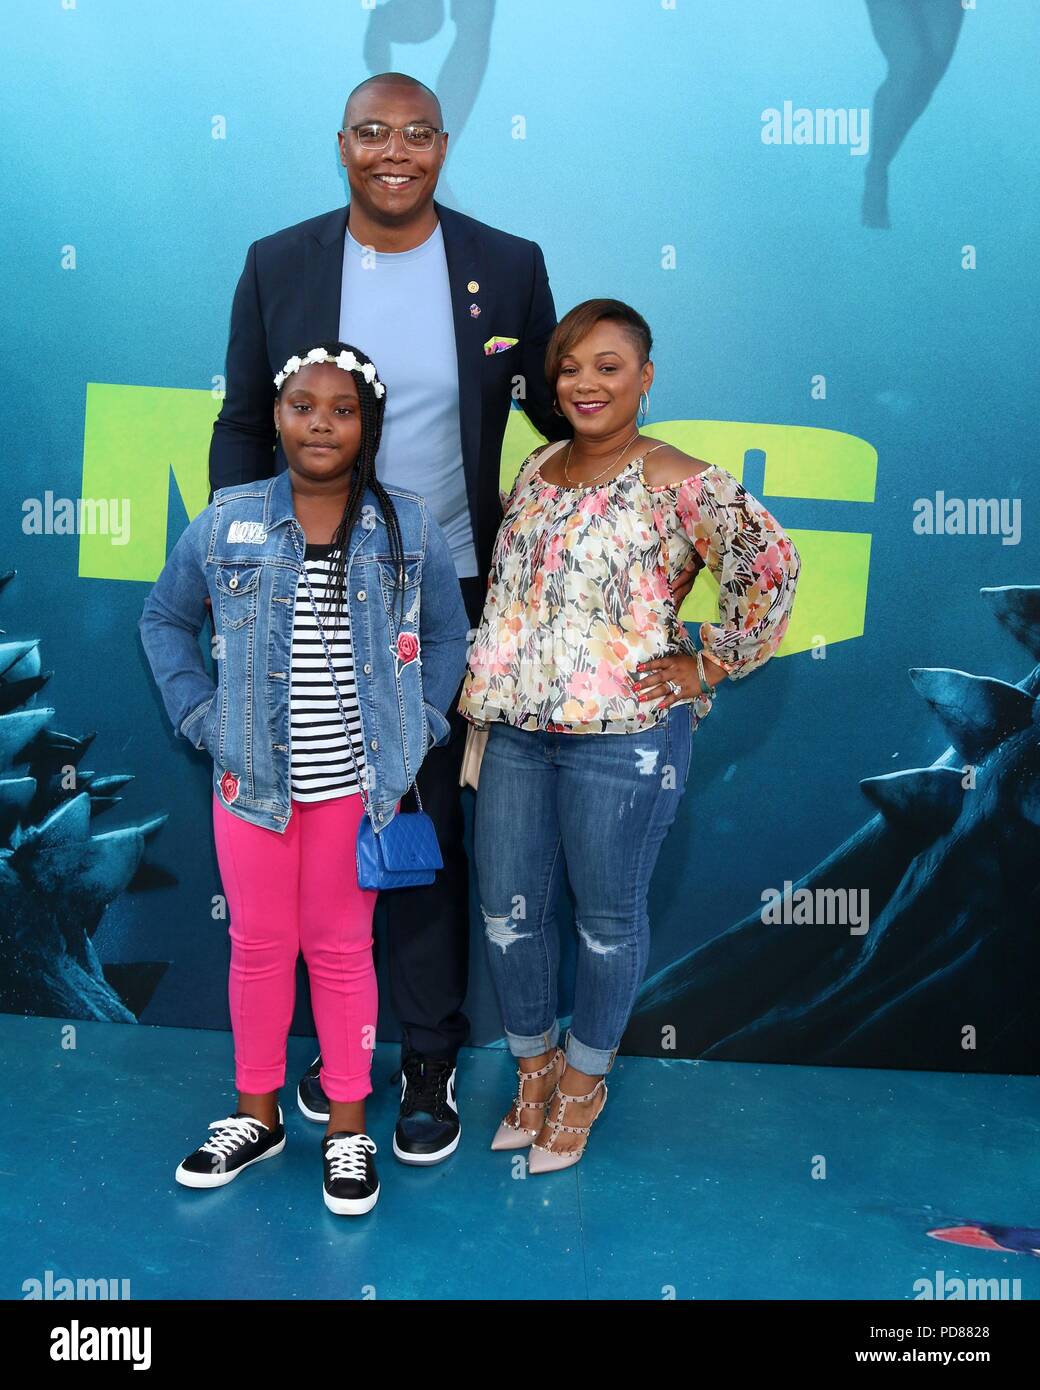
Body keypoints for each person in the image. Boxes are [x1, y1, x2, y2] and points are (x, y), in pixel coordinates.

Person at [208, 70, 569, 1163]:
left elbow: (559, 414)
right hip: (302, 595)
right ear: (343, 144)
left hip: (442, 591)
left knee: (409, 830)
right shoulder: (281, 262)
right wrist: (241, 569)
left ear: (443, 146)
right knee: (304, 830)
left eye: (415, 133)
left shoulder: (507, 267)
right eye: (372, 132)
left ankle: (425, 1057)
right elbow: (239, 425)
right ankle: (329, 1065)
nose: (393, 150)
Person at [459, 300, 802, 1172]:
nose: (586, 383)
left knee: (607, 923)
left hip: (626, 740)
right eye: (570, 366)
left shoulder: (681, 479)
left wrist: (712, 663)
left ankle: (584, 1082)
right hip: (515, 731)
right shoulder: (536, 468)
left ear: (645, 378)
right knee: (507, 913)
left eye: (608, 366)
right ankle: (532, 1069)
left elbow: (770, 565)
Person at [140, 342, 471, 1213]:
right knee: (256, 949)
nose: (321, 422)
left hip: (356, 795)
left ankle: (348, 1128)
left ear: (368, 426)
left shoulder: (408, 525)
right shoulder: (227, 521)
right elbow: (165, 618)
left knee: (339, 952)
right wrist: (200, 718)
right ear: (276, 417)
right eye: (302, 406)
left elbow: (448, 636)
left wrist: (424, 726)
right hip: (251, 788)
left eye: (343, 409)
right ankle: (257, 1115)